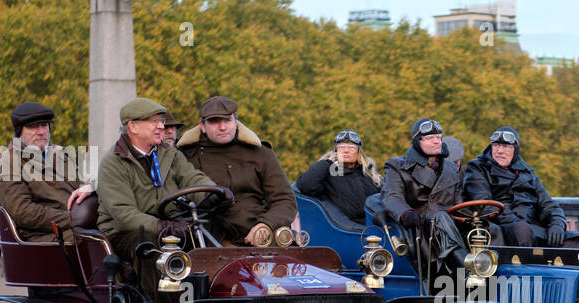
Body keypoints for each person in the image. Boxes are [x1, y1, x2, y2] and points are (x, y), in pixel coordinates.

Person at [96, 98, 223, 262]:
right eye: (154, 122)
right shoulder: (113, 163)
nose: (162, 127)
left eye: (161, 121)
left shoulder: (169, 153)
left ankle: (208, 286)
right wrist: (160, 227)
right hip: (127, 233)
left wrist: (213, 193)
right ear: (133, 127)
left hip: (171, 224)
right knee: (153, 247)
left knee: (207, 236)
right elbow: (124, 214)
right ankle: (161, 288)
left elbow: (192, 178)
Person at [177, 96, 296, 247]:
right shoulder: (185, 155)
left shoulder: (259, 151)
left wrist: (266, 225)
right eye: (215, 122)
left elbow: (285, 200)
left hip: (260, 233)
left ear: (235, 121)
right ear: (202, 125)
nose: (222, 127)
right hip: (211, 237)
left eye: (227, 120)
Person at [0, 101, 94, 242]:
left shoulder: (61, 157)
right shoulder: (6, 165)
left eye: (44, 125)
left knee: (120, 231)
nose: (41, 132)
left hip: (74, 228)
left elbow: (83, 188)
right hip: (39, 239)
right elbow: (24, 213)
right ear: (19, 131)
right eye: (33, 127)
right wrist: (75, 219)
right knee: (96, 239)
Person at [462, 125, 579, 248]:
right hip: (502, 225)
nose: (499, 150)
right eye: (496, 145)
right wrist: (518, 222)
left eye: (505, 146)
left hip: (532, 227)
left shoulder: (527, 172)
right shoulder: (478, 168)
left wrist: (557, 224)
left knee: (575, 241)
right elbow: (485, 204)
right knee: (522, 230)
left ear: (515, 149)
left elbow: (548, 204)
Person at [381, 117, 467, 268]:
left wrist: (472, 218)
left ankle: (502, 274)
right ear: (417, 141)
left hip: (451, 225)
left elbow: (460, 205)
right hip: (421, 228)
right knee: (439, 217)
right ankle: (467, 268)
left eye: (438, 137)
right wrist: (406, 213)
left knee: (490, 228)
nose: (436, 141)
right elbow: (392, 197)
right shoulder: (397, 166)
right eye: (430, 138)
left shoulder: (451, 168)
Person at [295, 129, 383, 227]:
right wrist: (327, 163)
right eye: (341, 147)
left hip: (377, 226)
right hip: (347, 229)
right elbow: (306, 186)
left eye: (351, 147)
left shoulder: (369, 175)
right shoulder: (329, 173)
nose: (346, 150)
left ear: (358, 152)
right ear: (336, 151)